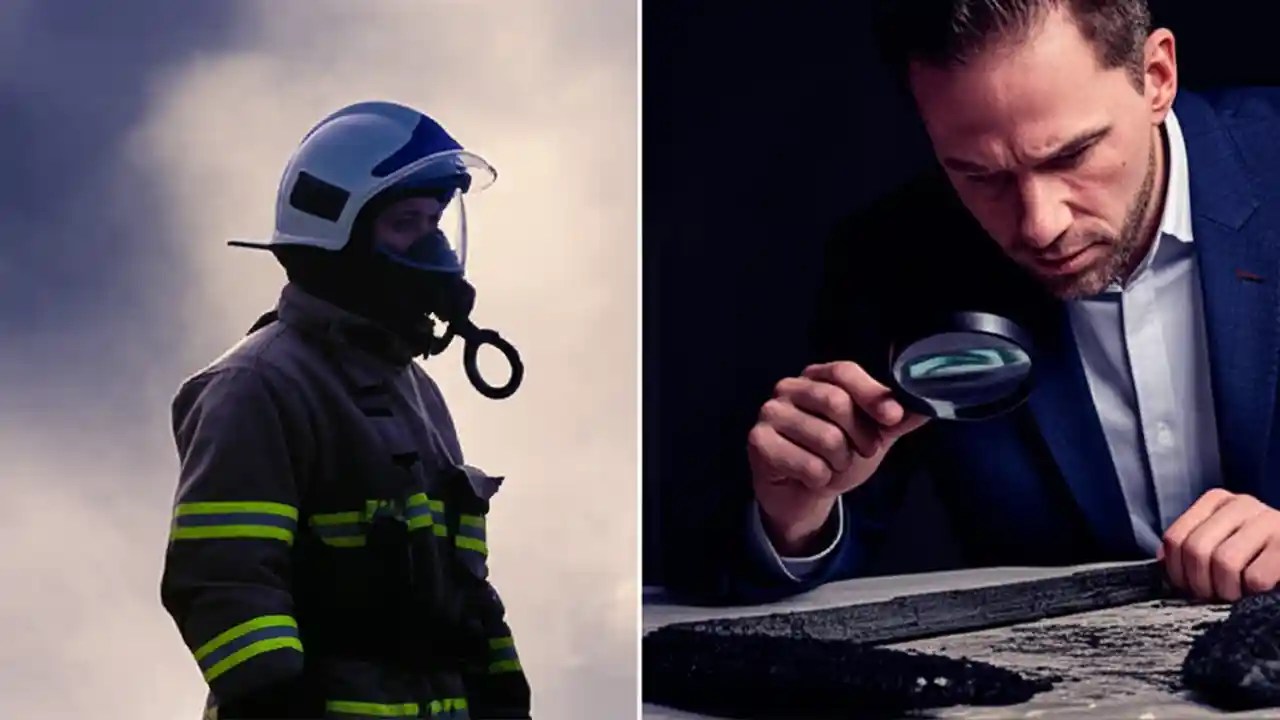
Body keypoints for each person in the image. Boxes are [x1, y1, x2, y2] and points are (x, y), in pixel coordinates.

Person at [743, 0, 1280, 606]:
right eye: (980, 176)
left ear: (1156, 77)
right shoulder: (895, 261)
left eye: (1070, 156)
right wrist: (798, 515)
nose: (1040, 225)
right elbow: (804, 543)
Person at [159, 101, 531, 719]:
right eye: (405, 223)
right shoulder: (256, 387)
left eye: (436, 221)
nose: (433, 244)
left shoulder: (416, 390)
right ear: (336, 234)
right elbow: (224, 582)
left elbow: (463, 588)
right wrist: (274, 704)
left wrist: (500, 690)